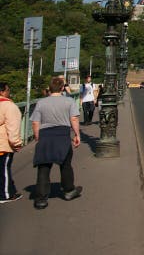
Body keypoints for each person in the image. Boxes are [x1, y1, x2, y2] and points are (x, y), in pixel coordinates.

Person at [30, 76, 82, 210]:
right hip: (62, 135)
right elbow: (74, 119)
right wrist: (77, 135)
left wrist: (37, 137)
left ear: (50, 88)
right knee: (65, 165)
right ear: (62, 88)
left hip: (45, 135)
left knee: (44, 167)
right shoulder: (69, 101)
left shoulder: (41, 103)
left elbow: (35, 122)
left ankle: (41, 199)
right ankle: (69, 190)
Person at [0, 82, 23, 203]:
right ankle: (5, 194)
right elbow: (12, 127)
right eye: (8, 90)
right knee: (4, 169)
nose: (9, 92)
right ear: (3, 91)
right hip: (3, 144)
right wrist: (16, 143)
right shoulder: (9, 106)